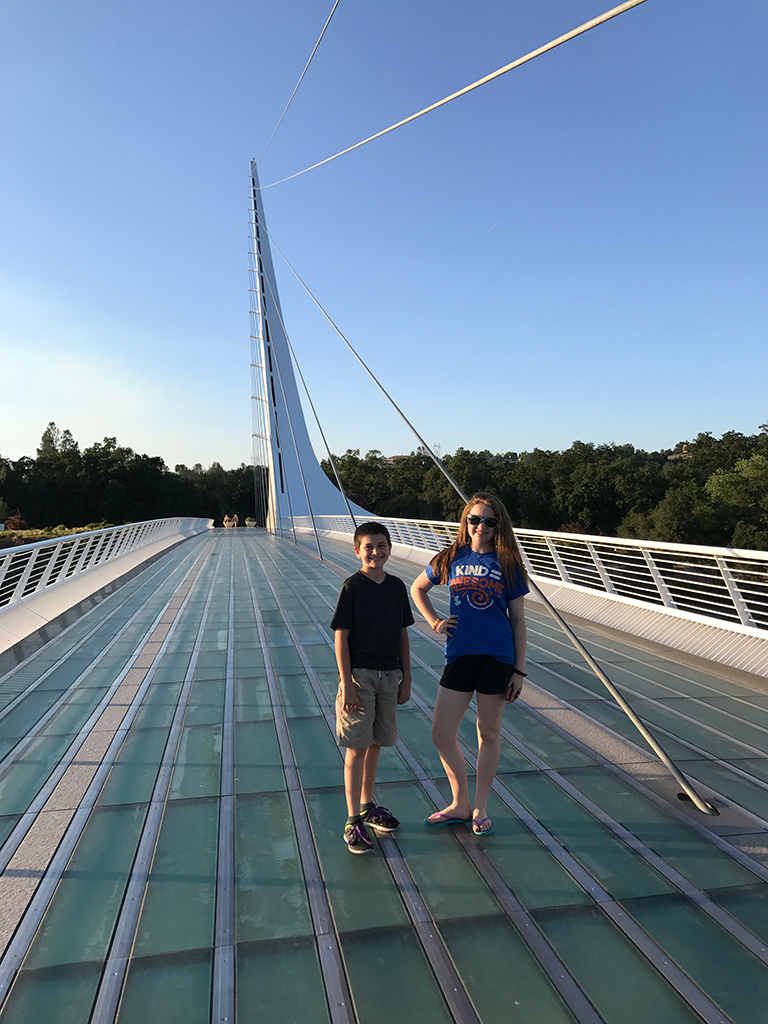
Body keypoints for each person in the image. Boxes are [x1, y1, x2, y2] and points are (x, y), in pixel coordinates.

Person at [410, 493, 528, 836]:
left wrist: (519, 671)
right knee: (441, 733)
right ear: (465, 522)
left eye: (489, 521)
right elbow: (418, 589)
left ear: (498, 525)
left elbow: (518, 620)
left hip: (497, 656)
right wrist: (435, 622)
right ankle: (459, 802)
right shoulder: (451, 557)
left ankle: (479, 807)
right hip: (460, 654)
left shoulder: (508, 563)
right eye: (474, 520)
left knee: (488, 732)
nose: (481, 527)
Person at [331, 522, 414, 853]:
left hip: (389, 676)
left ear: (390, 549)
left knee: (377, 742)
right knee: (357, 746)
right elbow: (341, 637)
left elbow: (403, 634)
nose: (376, 552)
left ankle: (368, 805)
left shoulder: (396, 586)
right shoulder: (352, 587)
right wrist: (347, 683)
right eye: (369, 547)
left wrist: (407, 678)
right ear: (357, 552)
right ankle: (353, 820)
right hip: (360, 678)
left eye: (382, 546)